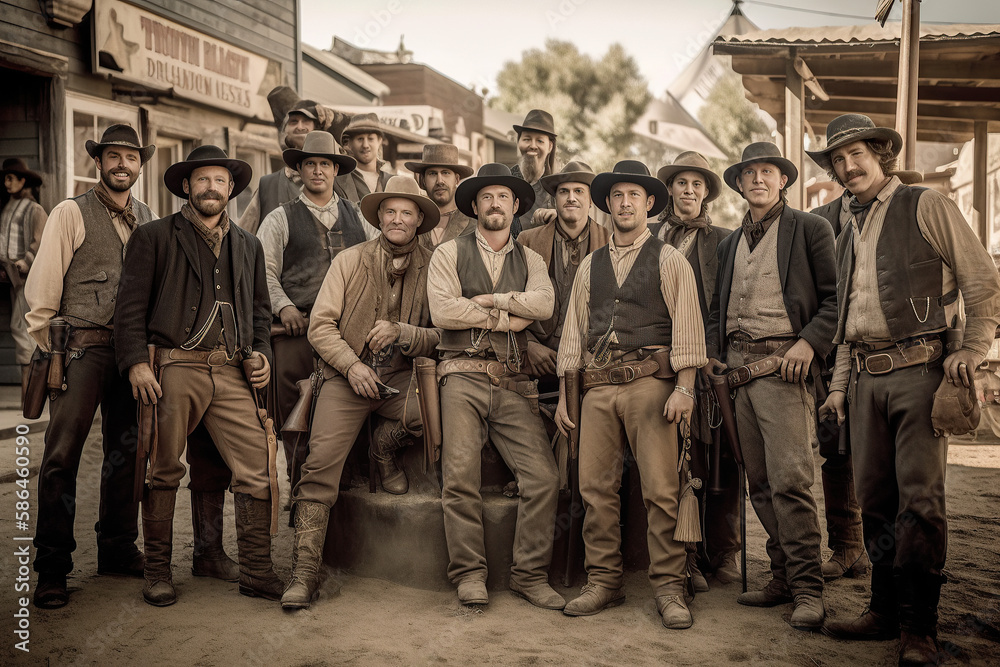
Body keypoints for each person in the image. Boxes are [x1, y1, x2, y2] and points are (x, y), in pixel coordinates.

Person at [811, 114, 1000, 664]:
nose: (848, 167)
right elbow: (847, 321)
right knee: (875, 498)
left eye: (857, 155)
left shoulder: (926, 205)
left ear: (880, 154)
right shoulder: (846, 227)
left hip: (921, 373)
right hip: (866, 379)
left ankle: (920, 628)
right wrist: (839, 390)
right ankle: (883, 611)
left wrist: (973, 348)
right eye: (838, 160)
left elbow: (981, 279)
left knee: (919, 502)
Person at [115, 145, 283, 606]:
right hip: (173, 367)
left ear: (231, 189)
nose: (212, 187)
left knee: (256, 466)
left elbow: (262, 314)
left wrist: (262, 354)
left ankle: (255, 569)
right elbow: (128, 308)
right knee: (164, 467)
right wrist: (136, 363)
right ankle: (157, 572)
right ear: (186, 186)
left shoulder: (248, 244)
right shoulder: (153, 237)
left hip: (230, 370)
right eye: (203, 180)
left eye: (220, 181)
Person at [553, 160, 705, 629]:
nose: (624, 203)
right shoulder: (590, 266)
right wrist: (565, 395)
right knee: (595, 488)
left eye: (633, 196)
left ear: (648, 204)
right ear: (609, 204)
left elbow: (689, 331)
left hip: (652, 385)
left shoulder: (669, 259)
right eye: (617, 196)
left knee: (662, 490)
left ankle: (668, 587)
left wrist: (684, 388)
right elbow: (573, 335)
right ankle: (604, 581)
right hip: (597, 390)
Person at [282, 176, 440, 609]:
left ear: (419, 220)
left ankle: (382, 449)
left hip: (401, 378)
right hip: (344, 377)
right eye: (390, 211)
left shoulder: (435, 264)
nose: (397, 219)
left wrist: (403, 331)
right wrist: (351, 366)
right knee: (319, 467)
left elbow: (443, 333)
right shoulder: (351, 260)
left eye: (407, 212)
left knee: (437, 412)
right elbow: (320, 326)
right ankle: (304, 572)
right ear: (379, 217)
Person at [707, 142, 837, 630]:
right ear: (739, 184)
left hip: (786, 371)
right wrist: (715, 359)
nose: (758, 179)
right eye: (749, 173)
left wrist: (809, 344)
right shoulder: (727, 244)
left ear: (783, 180)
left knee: (790, 481)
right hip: (737, 376)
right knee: (758, 483)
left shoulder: (810, 229)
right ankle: (781, 577)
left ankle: (808, 588)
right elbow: (718, 308)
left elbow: (835, 299)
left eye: (768, 171)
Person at [24, 125, 155, 608]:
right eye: (114, 156)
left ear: (141, 165)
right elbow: (41, 292)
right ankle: (51, 567)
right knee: (62, 456)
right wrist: (52, 351)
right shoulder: (69, 212)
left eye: (131, 157)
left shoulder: (149, 218)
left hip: (130, 354)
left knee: (128, 452)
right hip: (78, 350)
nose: (123, 164)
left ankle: (117, 548)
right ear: (99, 161)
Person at [427, 163, 561, 610]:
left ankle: (529, 575)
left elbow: (543, 304)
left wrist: (490, 300)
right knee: (460, 476)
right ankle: (468, 574)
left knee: (543, 477)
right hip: (459, 374)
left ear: (517, 205)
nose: (495, 203)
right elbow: (443, 313)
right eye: (486, 197)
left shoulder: (532, 259)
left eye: (503, 196)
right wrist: (507, 317)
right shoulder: (448, 252)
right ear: (475, 206)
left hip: (510, 378)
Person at [650, 151, 741, 591]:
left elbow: (724, 306)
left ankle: (723, 552)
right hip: (653, 359)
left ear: (706, 192)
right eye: (681, 182)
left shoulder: (723, 240)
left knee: (717, 458)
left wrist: (708, 354)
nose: (688, 190)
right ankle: (681, 557)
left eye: (697, 184)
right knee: (670, 462)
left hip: (705, 362)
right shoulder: (648, 236)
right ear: (669, 188)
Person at [256, 130, 371, 480]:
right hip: (297, 333)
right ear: (299, 170)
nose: (318, 170)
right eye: (310, 164)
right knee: (296, 418)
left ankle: (345, 500)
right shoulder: (280, 218)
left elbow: (378, 263)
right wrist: (284, 307)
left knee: (349, 413)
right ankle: (299, 493)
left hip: (350, 335)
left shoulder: (360, 216)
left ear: (336, 170)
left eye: (325, 163)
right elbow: (263, 272)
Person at [518, 161, 609, 375]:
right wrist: (528, 344)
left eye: (579, 191)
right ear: (554, 199)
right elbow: (509, 298)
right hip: (535, 363)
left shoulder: (610, 243)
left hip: (589, 364)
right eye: (564, 192)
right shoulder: (527, 241)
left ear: (590, 201)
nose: (571, 198)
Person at [237, 87, 351, 234]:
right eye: (293, 122)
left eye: (306, 121)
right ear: (286, 131)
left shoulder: (339, 178)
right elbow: (244, 235)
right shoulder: (268, 186)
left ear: (318, 128)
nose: (299, 127)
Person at [1, 157, 47, 392]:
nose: (7, 183)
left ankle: (29, 396)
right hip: (7, 276)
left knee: (22, 328)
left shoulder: (34, 209)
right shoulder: (8, 207)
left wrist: (21, 265)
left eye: (11, 178)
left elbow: (39, 243)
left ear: (22, 180)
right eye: (5, 179)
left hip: (25, 278)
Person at [403, 143, 475, 249]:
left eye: (445, 173)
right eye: (433, 174)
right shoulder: (412, 219)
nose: (440, 181)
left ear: (457, 179)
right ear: (423, 180)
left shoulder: (472, 222)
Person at [509, 109, 557, 236]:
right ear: (518, 142)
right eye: (527, 139)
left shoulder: (557, 188)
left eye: (540, 141)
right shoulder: (505, 182)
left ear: (550, 147)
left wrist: (559, 219)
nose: (533, 145)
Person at [335, 112, 394, 205]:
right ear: (349, 143)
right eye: (360, 139)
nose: (365, 145)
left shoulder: (392, 181)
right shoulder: (339, 181)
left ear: (379, 141)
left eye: (370, 139)